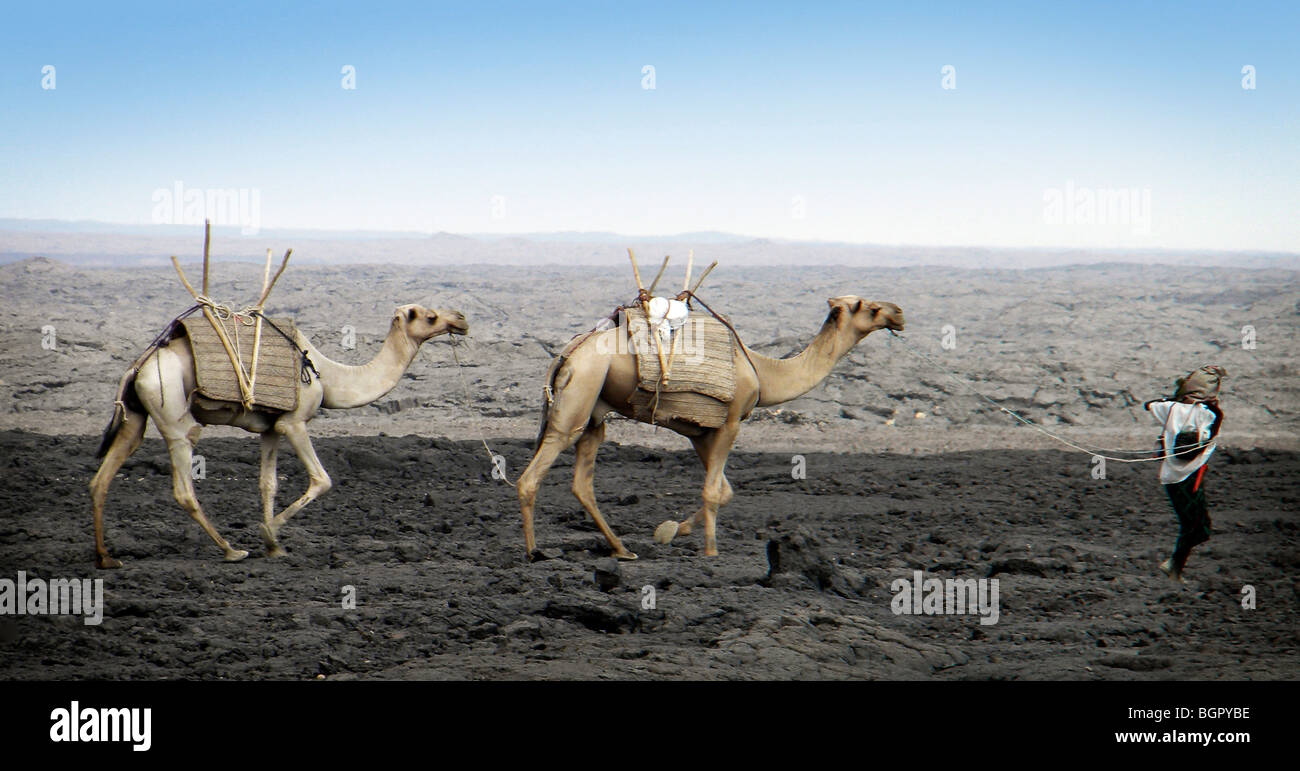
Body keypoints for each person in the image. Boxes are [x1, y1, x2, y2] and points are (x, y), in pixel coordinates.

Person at [1143, 365, 1226, 584]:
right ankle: (1174, 568)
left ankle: (1174, 567)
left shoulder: (1170, 408)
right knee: (1199, 527)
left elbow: (1148, 405)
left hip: (1170, 478)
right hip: (1190, 478)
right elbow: (1216, 422)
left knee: (1193, 525)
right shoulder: (1209, 413)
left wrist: (1175, 399)